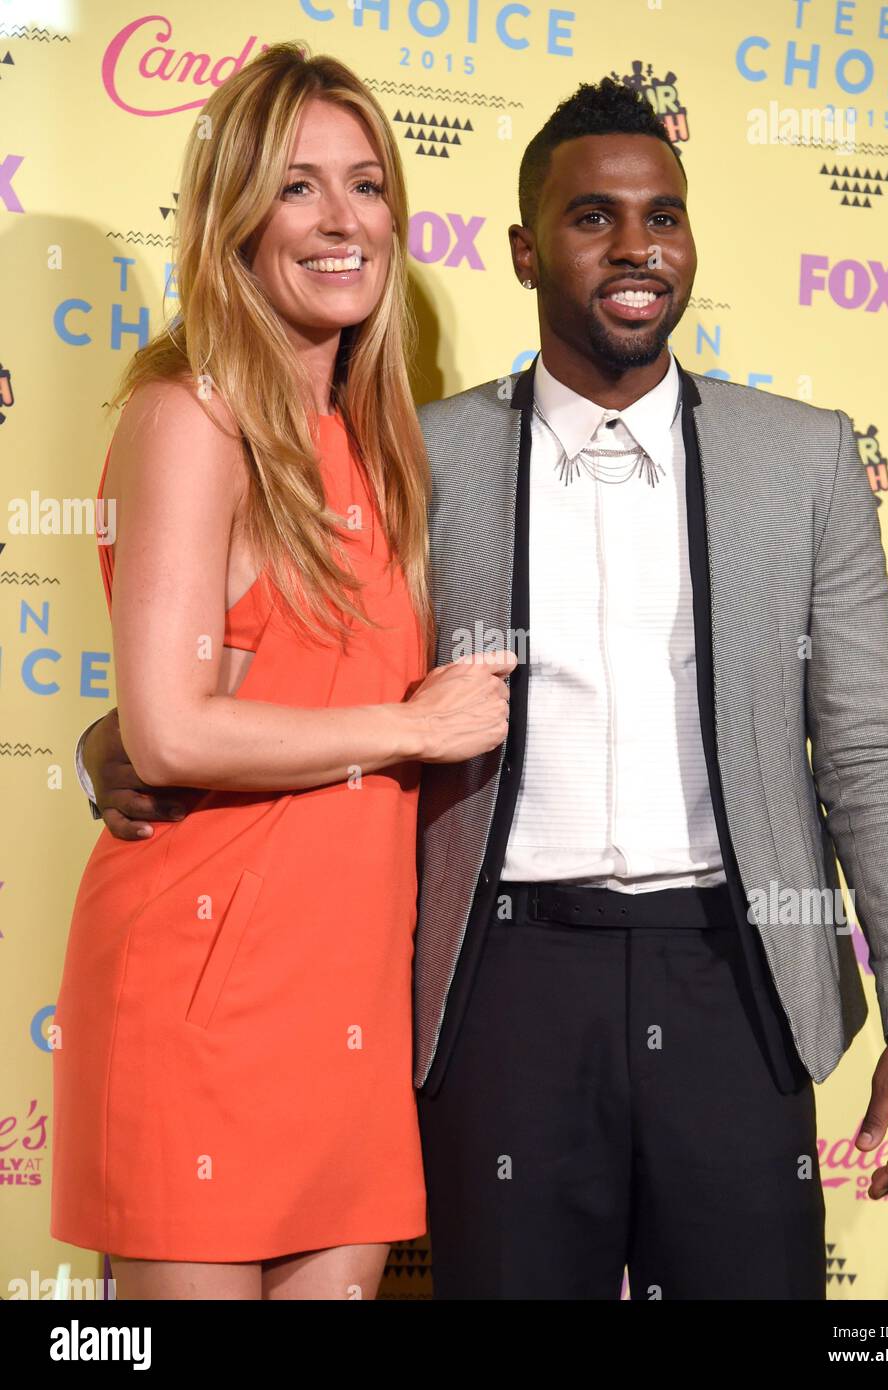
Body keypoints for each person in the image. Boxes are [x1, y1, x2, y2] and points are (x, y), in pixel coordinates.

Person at [79, 78, 888, 1301]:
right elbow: (275, 636)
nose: (635, 248)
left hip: (733, 979)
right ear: (521, 250)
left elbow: (869, 747)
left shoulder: (801, 459)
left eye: (662, 217)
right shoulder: (412, 449)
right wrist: (121, 735)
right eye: (592, 217)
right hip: (497, 991)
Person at [52, 42, 512, 1302]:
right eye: (297, 186)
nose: (340, 219)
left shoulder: (386, 447)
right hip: (200, 983)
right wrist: (412, 729)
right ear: (235, 217)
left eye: (365, 185)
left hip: (347, 996)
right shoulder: (190, 414)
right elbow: (171, 733)